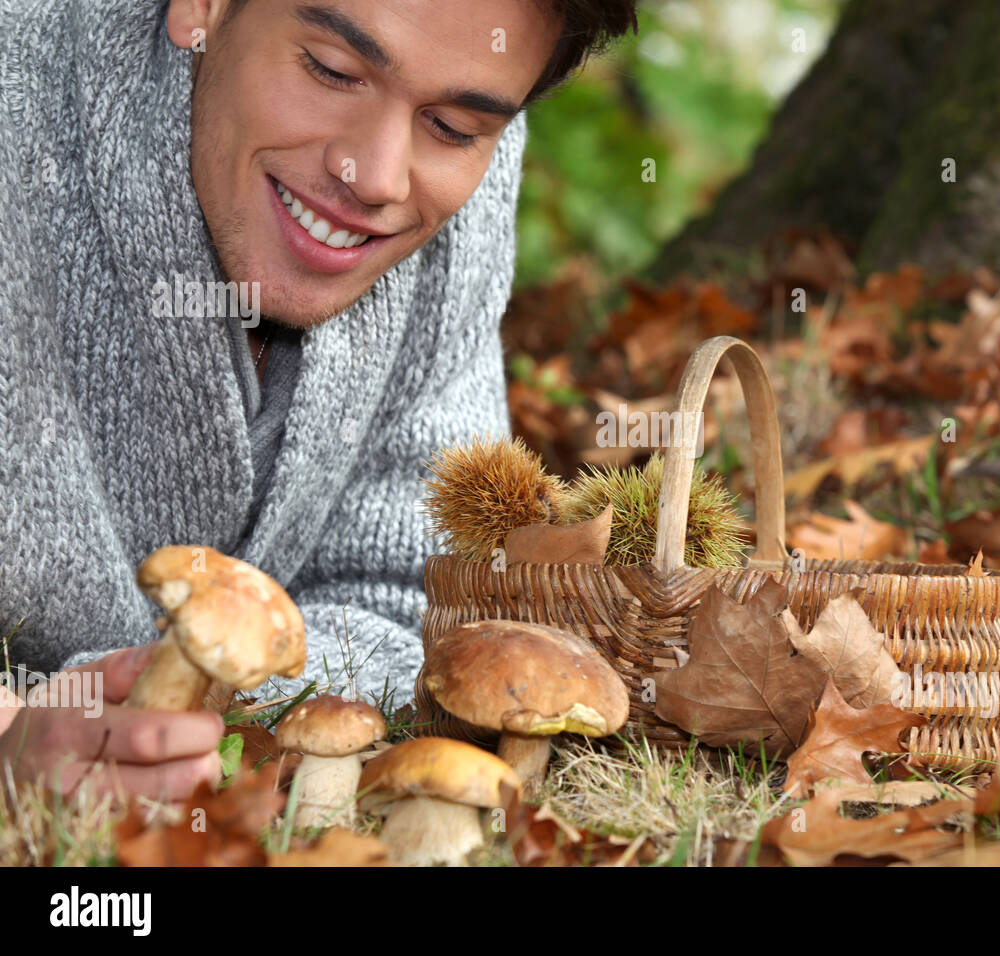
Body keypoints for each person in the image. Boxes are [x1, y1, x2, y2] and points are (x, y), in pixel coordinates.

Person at [0, 0, 637, 800]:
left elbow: (412, 591)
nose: (373, 176)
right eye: (333, 71)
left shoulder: (460, 195)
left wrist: (204, 721)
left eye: (452, 129)